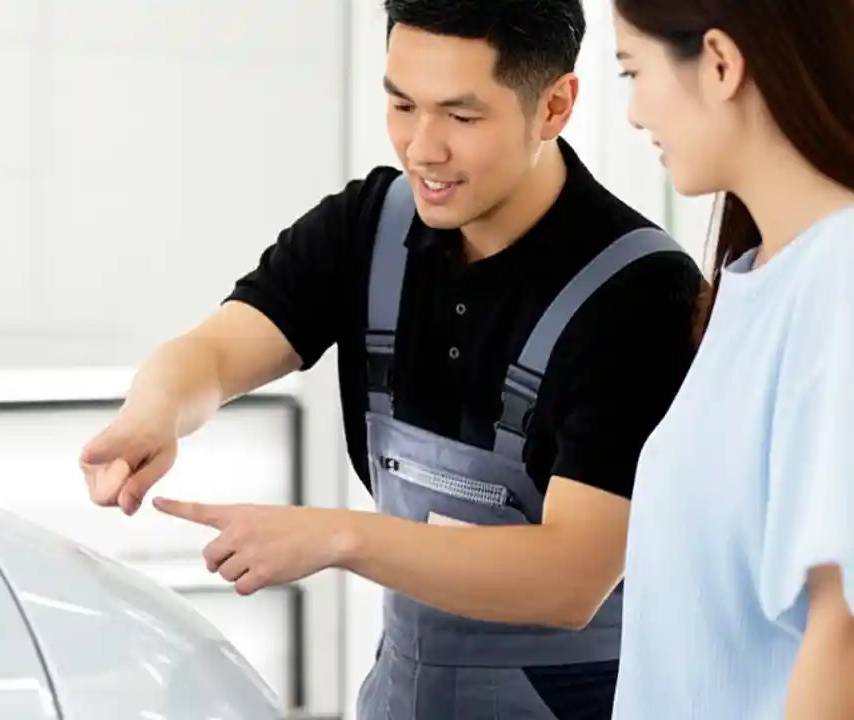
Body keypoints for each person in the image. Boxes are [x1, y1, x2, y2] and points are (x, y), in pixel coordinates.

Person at [81, 1, 704, 716]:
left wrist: (340, 537)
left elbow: (570, 577)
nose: (422, 149)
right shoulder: (366, 226)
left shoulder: (641, 292)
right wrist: (154, 412)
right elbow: (217, 352)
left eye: (461, 117)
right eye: (402, 104)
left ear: (555, 105)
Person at [609, 1, 854, 717]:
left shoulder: (838, 277)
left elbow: (840, 632)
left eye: (633, 71)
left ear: (719, 62)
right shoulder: (752, 282)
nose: (631, 111)